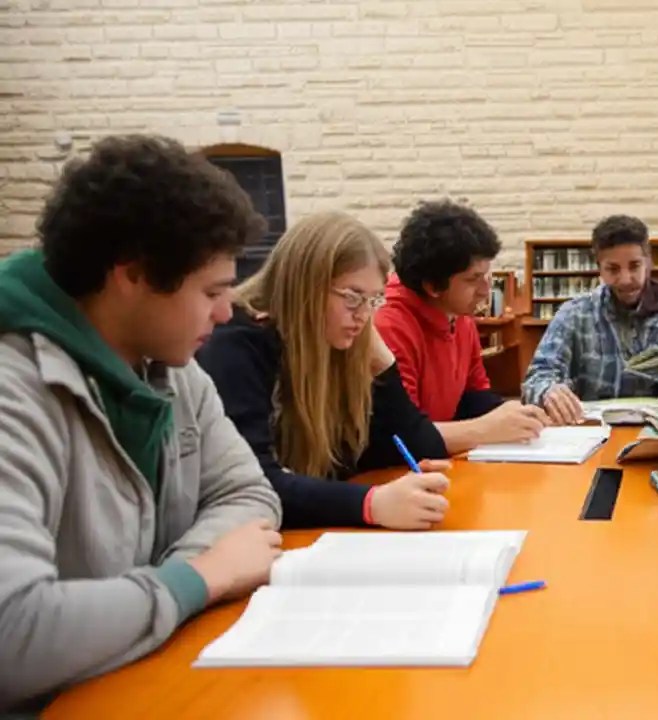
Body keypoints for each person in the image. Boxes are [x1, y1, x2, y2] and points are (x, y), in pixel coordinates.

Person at [0, 135, 283, 711]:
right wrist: (198, 580)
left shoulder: (172, 366)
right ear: (132, 274)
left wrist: (173, 587)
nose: (226, 313)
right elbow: (13, 635)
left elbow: (247, 492)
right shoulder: (15, 389)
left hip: (142, 676)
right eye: (212, 291)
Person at [197, 212, 452, 531]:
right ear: (306, 287)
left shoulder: (335, 342)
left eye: (373, 300)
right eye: (352, 297)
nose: (362, 316)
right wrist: (370, 504)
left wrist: (384, 364)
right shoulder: (236, 345)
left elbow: (407, 449)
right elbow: (253, 484)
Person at [375, 200, 549, 451]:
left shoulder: (459, 315)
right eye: (473, 279)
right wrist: (487, 428)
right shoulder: (390, 328)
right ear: (433, 286)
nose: (486, 290)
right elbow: (403, 436)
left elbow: (473, 396)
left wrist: (516, 415)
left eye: (487, 274)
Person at [522, 215, 658, 425]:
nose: (626, 279)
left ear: (649, 262)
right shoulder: (573, 315)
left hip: (650, 433)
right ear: (599, 268)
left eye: (634, 266)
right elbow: (537, 376)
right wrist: (548, 390)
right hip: (586, 433)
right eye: (613, 269)